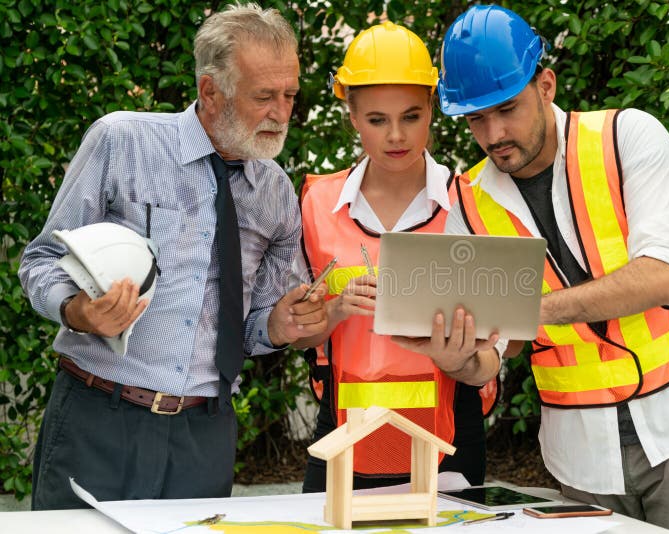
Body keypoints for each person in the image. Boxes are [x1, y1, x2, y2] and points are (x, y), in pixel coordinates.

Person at [413, 5, 669, 533]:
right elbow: (496, 353)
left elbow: (663, 273)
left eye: (507, 109)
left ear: (546, 85)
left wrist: (526, 308)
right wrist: (459, 362)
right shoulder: (467, 207)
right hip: (581, 454)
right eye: (476, 118)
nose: (494, 133)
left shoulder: (629, 138)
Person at [17, 3, 327, 510]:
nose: (282, 112)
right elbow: (42, 259)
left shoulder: (275, 192)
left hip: (204, 435)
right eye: (264, 96)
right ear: (211, 91)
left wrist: (283, 324)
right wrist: (79, 311)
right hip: (100, 417)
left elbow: (253, 331)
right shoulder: (122, 141)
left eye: (290, 94)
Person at [292, 21, 503, 493]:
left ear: (432, 109)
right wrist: (337, 308)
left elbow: (497, 346)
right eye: (376, 119)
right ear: (351, 115)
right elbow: (300, 336)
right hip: (343, 427)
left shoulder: (473, 203)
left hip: (450, 430)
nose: (395, 136)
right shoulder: (316, 203)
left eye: (411, 116)